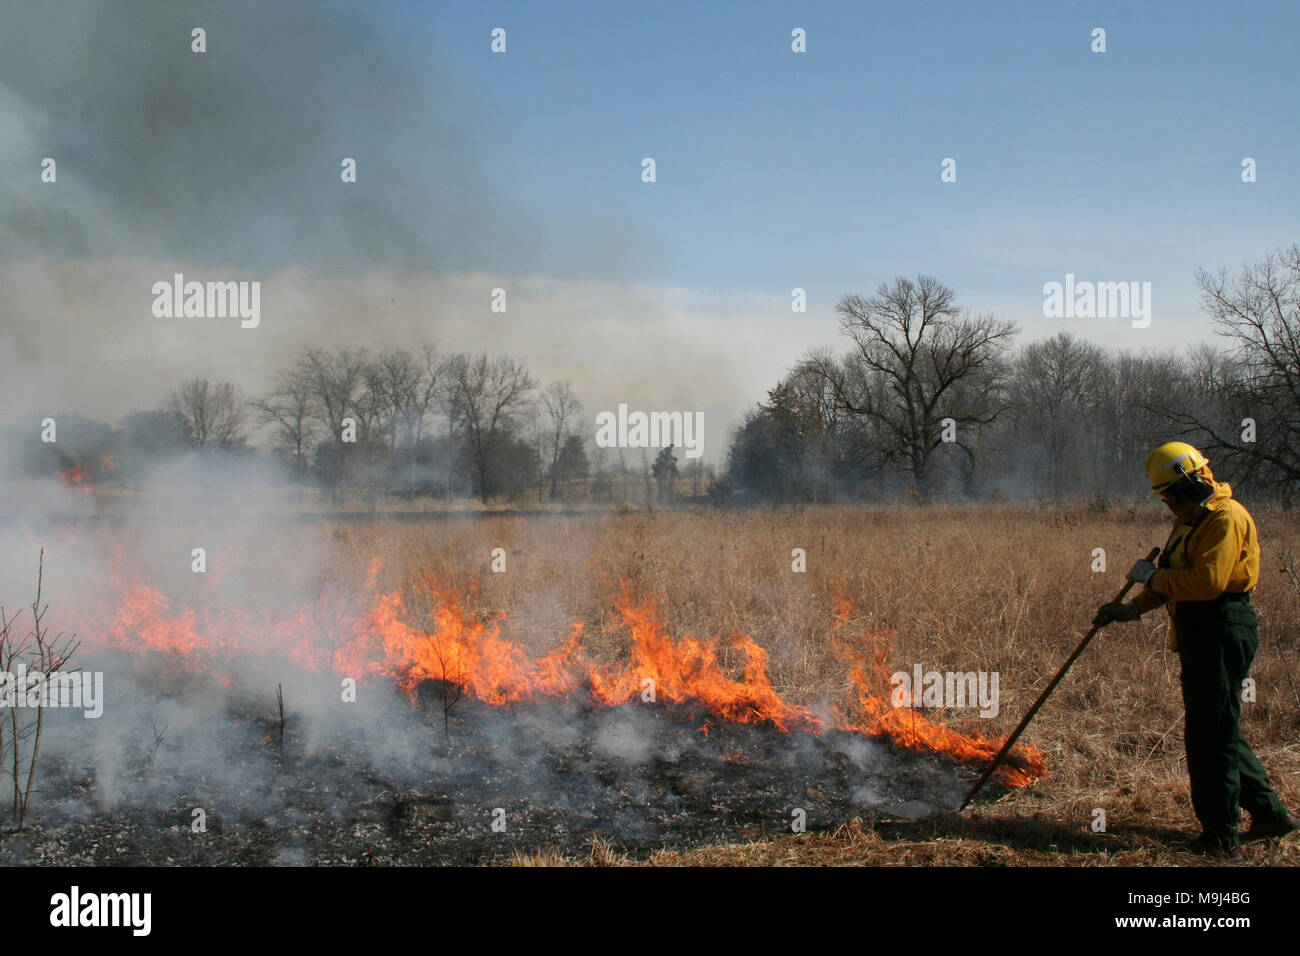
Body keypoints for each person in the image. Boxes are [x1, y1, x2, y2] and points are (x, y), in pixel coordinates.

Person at [1093, 441, 1298, 857]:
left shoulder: (1225, 518)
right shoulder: (1190, 521)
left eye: (1170, 492)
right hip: (1199, 629)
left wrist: (1151, 579)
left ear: (1190, 481)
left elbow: (1206, 584)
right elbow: (1173, 575)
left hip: (1221, 626)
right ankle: (1270, 813)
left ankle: (1221, 839)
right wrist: (1131, 609)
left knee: (1209, 737)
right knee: (1217, 727)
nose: (1167, 502)